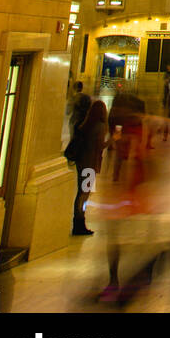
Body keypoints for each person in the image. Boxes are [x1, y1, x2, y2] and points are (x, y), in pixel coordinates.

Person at [69, 98, 108, 236]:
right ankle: (79, 224)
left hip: (82, 163)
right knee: (84, 194)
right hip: (90, 164)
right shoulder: (100, 126)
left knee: (81, 192)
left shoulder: (86, 125)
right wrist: (112, 140)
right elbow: (99, 146)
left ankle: (77, 222)